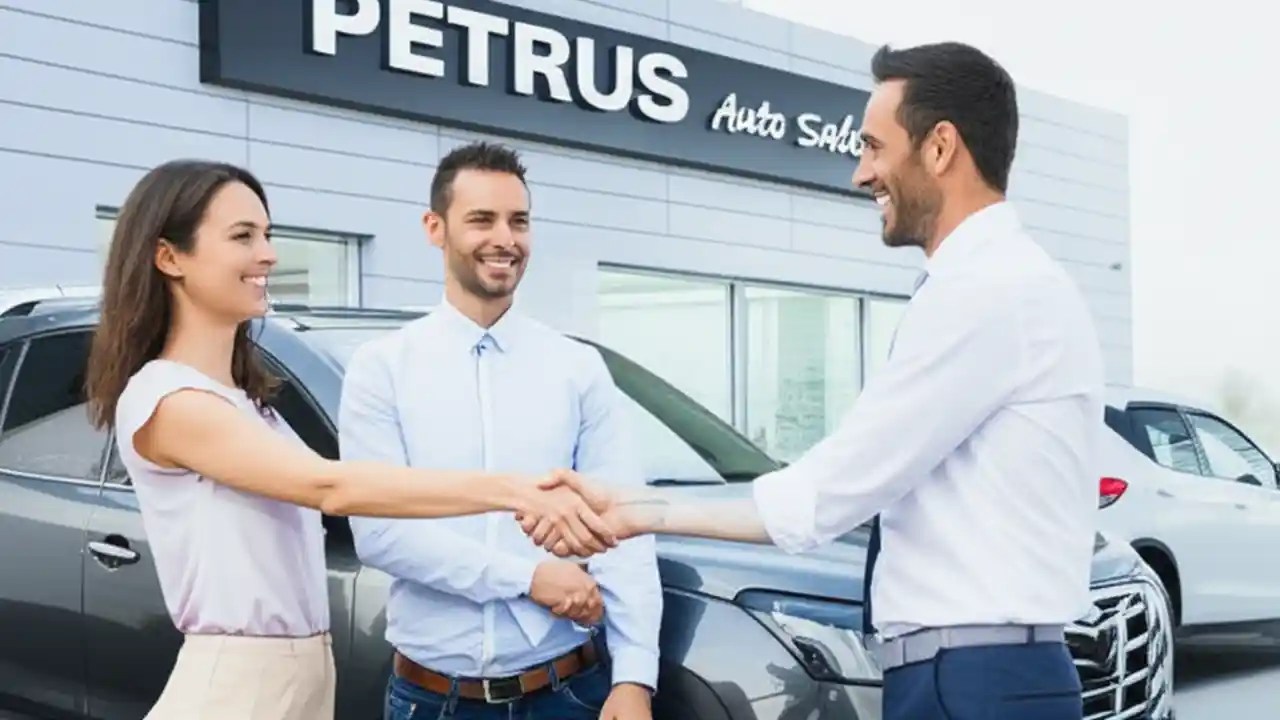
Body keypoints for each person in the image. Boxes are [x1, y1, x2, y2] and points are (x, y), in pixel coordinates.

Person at [534, 42, 1104, 720]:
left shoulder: (986, 291)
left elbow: (824, 496)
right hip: (982, 674)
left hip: (971, 681)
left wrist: (629, 512)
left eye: (874, 146)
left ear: (941, 146)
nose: (862, 174)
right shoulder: (1008, 282)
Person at [83, 159, 616, 720]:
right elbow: (331, 486)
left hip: (299, 675)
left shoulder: (244, 402)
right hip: (237, 684)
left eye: (267, 235)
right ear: (169, 257)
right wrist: (514, 490)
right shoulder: (170, 400)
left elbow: (363, 489)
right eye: (243, 236)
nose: (268, 254)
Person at [338, 141, 663, 720]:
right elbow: (381, 532)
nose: (505, 239)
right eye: (481, 219)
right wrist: (527, 577)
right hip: (434, 702)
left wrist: (635, 674)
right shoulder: (381, 367)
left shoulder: (577, 367)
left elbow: (624, 523)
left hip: (571, 694)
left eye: (519, 221)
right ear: (435, 228)